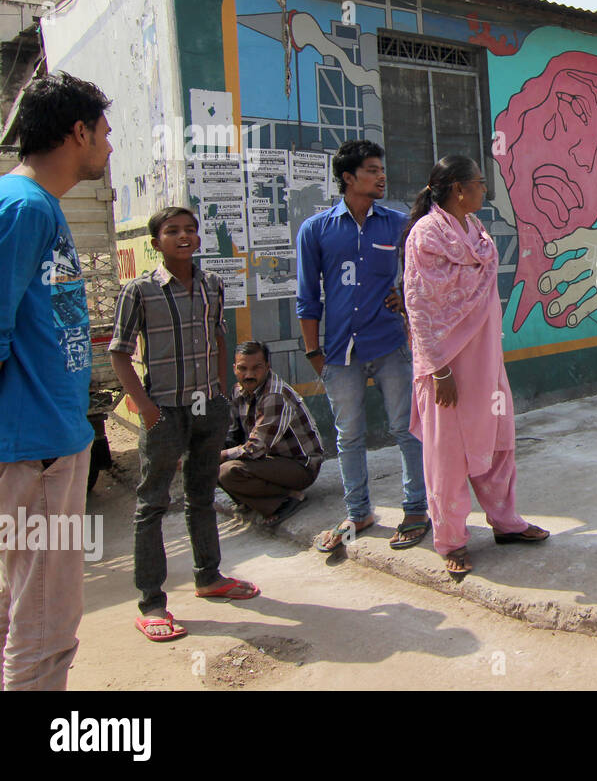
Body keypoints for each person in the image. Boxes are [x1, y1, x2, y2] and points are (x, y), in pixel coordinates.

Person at [0, 72, 110, 689]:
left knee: (20, 612)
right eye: (105, 132)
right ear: (78, 131)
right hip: (36, 449)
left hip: (44, 446)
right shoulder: (20, 208)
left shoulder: (35, 206)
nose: (110, 147)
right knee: (45, 625)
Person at [109, 207, 259, 642]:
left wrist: (215, 390)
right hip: (163, 411)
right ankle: (152, 603)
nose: (184, 237)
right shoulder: (139, 291)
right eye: (172, 231)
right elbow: (119, 352)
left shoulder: (212, 284)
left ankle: (208, 577)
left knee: (201, 495)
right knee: (152, 503)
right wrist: (145, 407)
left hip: (204, 407)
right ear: (155, 243)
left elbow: (217, 337)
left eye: (190, 230)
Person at [403, 155, 549, 574]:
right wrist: (440, 369)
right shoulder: (426, 235)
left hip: (485, 358)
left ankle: (506, 522)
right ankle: (450, 541)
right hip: (447, 365)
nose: (486, 190)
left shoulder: (475, 229)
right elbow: (420, 305)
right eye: (480, 184)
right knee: (447, 454)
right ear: (458, 189)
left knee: (499, 440)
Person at [296, 140, 429, 552]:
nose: (381, 176)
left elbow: (422, 272)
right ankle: (358, 513)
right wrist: (313, 353)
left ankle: (416, 510)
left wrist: (403, 295)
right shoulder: (316, 230)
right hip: (339, 352)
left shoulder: (396, 224)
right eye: (372, 170)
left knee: (407, 430)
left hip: (389, 343)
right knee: (348, 436)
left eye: (381, 169)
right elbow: (307, 297)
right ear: (349, 178)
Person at [219, 340, 324, 525]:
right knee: (205, 465)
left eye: (256, 368)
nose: (249, 374)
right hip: (269, 461)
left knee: (228, 471)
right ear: (234, 368)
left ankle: (285, 499)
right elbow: (233, 435)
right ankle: (260, 500)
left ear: (267, 367)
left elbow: (255, 449)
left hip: (300, 466)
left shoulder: (275, 395)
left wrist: (221, 455)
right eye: (242, 368)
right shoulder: (238, 391)